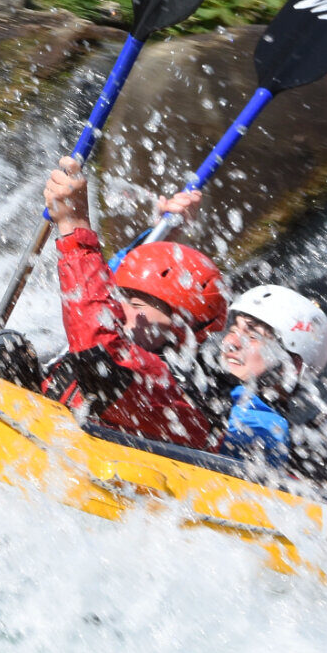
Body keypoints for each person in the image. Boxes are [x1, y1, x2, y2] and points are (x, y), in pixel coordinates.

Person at [39, 155, 223, 450]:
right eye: (121, 298)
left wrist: (75, 225)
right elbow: (99, 285)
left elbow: (99, 350)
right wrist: (162, 237)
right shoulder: (132, 329)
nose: (119, 311)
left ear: (182, 330)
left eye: (137, 306)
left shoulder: (178, 393)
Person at [217, 285, 327, 468]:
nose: (231, 342)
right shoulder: (212, 395)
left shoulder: (264, 429)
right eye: (232, 330)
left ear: (291, 366)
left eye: (252, 336)